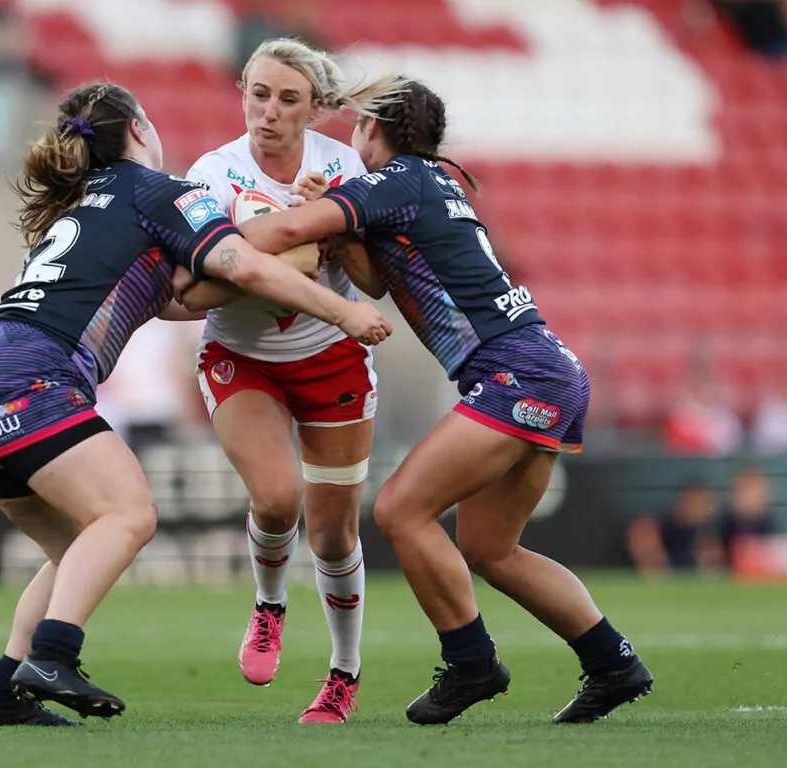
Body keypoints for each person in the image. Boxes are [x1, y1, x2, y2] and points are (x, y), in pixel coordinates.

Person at [0, 81, 392, 727]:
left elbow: (182, 297)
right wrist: (340, 308)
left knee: (77, 546)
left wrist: (282, 264)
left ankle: (4, 696)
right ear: (139, 129)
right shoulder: (162, 191)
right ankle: (52, 656)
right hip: (32, 377)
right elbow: (240, 265)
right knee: (128, 515)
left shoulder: (88, 201)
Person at [236, 77, 654, 726]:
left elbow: (289, 227)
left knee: (401, 508)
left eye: (358, 124)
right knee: (490, 549)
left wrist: (209, 239)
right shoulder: (430, 181)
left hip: (518, 375)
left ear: (373, 129)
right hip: (547, 368)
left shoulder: (393, 181)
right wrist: (342, 224)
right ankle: (614, 664)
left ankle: (472, 664)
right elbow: (376, 280)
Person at [179, 38, 402, 723]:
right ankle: (270, 604)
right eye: (259, 94)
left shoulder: (343, 166)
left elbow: (374, 284)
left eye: (287, 99)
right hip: (242, 356)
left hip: (332, 358)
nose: (269, 111)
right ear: (243, 93)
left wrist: (339, 224)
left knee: (333, 537)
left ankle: (343, 673)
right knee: (277, 501)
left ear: (314, 108)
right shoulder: (212, 172)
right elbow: (190, 289)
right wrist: (287, 249)